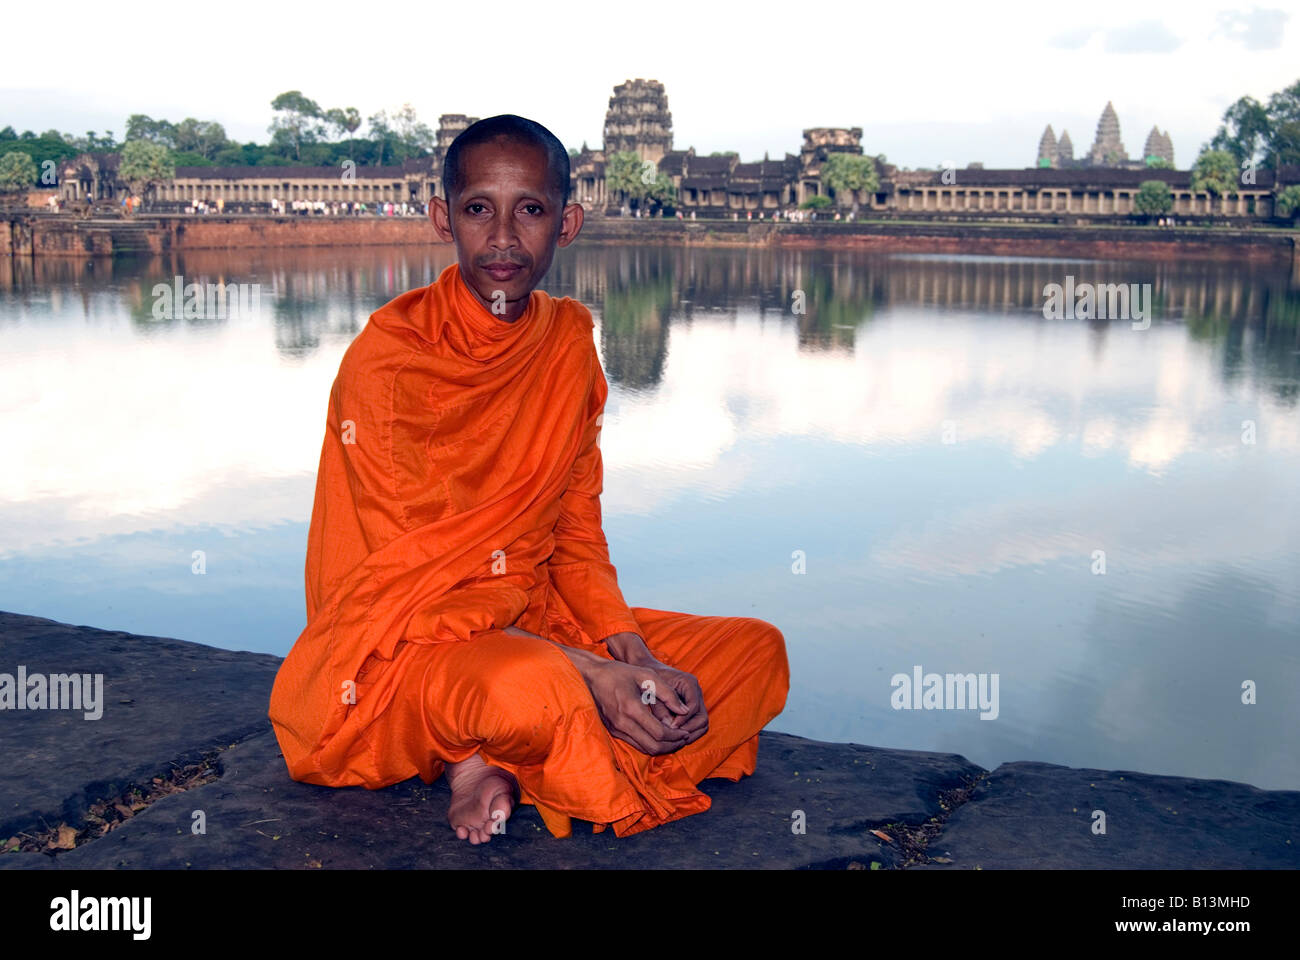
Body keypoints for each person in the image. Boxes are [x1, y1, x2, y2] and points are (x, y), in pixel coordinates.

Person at [268, 114, 789, 846]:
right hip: (407, 655)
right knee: (533, 689)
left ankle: (524, 759)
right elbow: (406, 598)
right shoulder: (390, 363)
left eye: (532, 210)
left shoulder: (568, 345)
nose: (505, 238)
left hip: (532, 624)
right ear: (441, 218)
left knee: (753, 653)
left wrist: (626, 648)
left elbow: (575, 536)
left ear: (567, 223)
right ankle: (511, 755)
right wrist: (584, 672)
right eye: (480, 209)